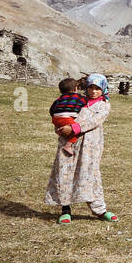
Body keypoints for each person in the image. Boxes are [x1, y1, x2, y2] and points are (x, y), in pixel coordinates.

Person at [45, 73, 118, 225]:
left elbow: (95, 121)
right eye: (91, 88)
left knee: (91, 174)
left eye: (97, 88)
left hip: (90, 146)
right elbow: (63, 113)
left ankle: (99, 209)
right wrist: (60, 128)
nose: (93, 91)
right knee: (65, 173)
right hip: (69, 142)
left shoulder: (103, 105)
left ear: (103, 89)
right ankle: (65, 210)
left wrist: (74, 128)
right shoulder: (78, 100)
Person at [49, 77, 87, 156]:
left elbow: (51, 109)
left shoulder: (59, 99)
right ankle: (68, 145)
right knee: (77, 130)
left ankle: (60, 130)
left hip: (55, 118)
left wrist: (55, 118)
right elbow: (85, 103)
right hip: (66, 118)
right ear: (75, 88)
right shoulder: (79, 97)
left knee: (64, 128)